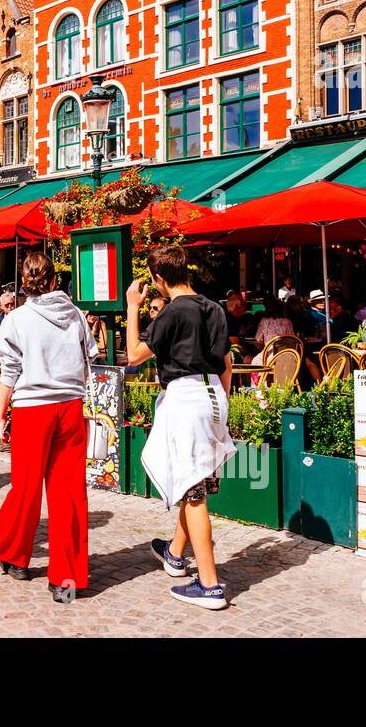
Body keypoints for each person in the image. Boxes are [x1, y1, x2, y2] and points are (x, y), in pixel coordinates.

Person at [125, 244, 234, 610]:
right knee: (197, 480)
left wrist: (132, 308)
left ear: (158, 279)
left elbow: (135, 356)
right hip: (214, 394)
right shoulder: (214, 307)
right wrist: (222, 404)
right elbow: (227, 362)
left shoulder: (174, 311)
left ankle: (209, 585)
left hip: (187, 397)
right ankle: (174, 553)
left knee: (192, 492)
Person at [0, 253, 95, 603]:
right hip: (70, 404)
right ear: (53, 280)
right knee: (68, 492)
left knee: (26, 486)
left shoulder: (17, 319)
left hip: (33, 407)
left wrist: (2, 412)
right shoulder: (76, 315)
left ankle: (14, 555)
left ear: (24, 282)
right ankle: (67, 578)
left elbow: (9, 370)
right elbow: (91, 356)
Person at [251, 297, 294, 363]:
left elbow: (258, 340)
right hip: (287, 356)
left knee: (254, 361)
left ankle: (263, 373)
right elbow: (292, 339)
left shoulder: (264, 321)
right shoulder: (288, 321)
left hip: (270, 358)